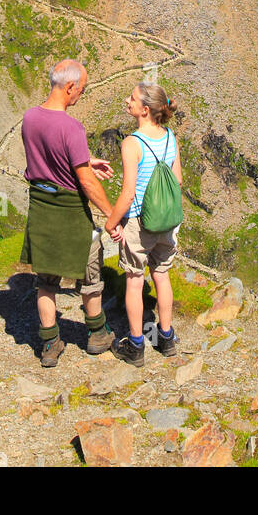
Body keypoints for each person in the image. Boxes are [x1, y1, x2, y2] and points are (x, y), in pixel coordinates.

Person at [20, 59, 121, 367]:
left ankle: (50, 344)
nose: (81, 95)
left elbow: (49, 153)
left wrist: (87, 159)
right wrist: (111, 214)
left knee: (46, 279)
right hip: (69, 209)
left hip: (41, 205)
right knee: (90, 274)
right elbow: (85, 182)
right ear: (69, 87)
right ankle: (97, 333)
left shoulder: (30, 117)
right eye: (82, 89)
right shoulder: (72, 127)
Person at [104, 82, 182, 367]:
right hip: (167, 220)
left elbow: (128, 193)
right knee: (162, 275)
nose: (127, 101)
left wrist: (111, 223)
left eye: (132, 99)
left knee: (135, 282)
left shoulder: (132, 143)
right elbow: (178, 181)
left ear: (145, 110)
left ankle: (136, 346)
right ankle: (166, 338)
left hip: (139, 221)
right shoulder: (171, 137)